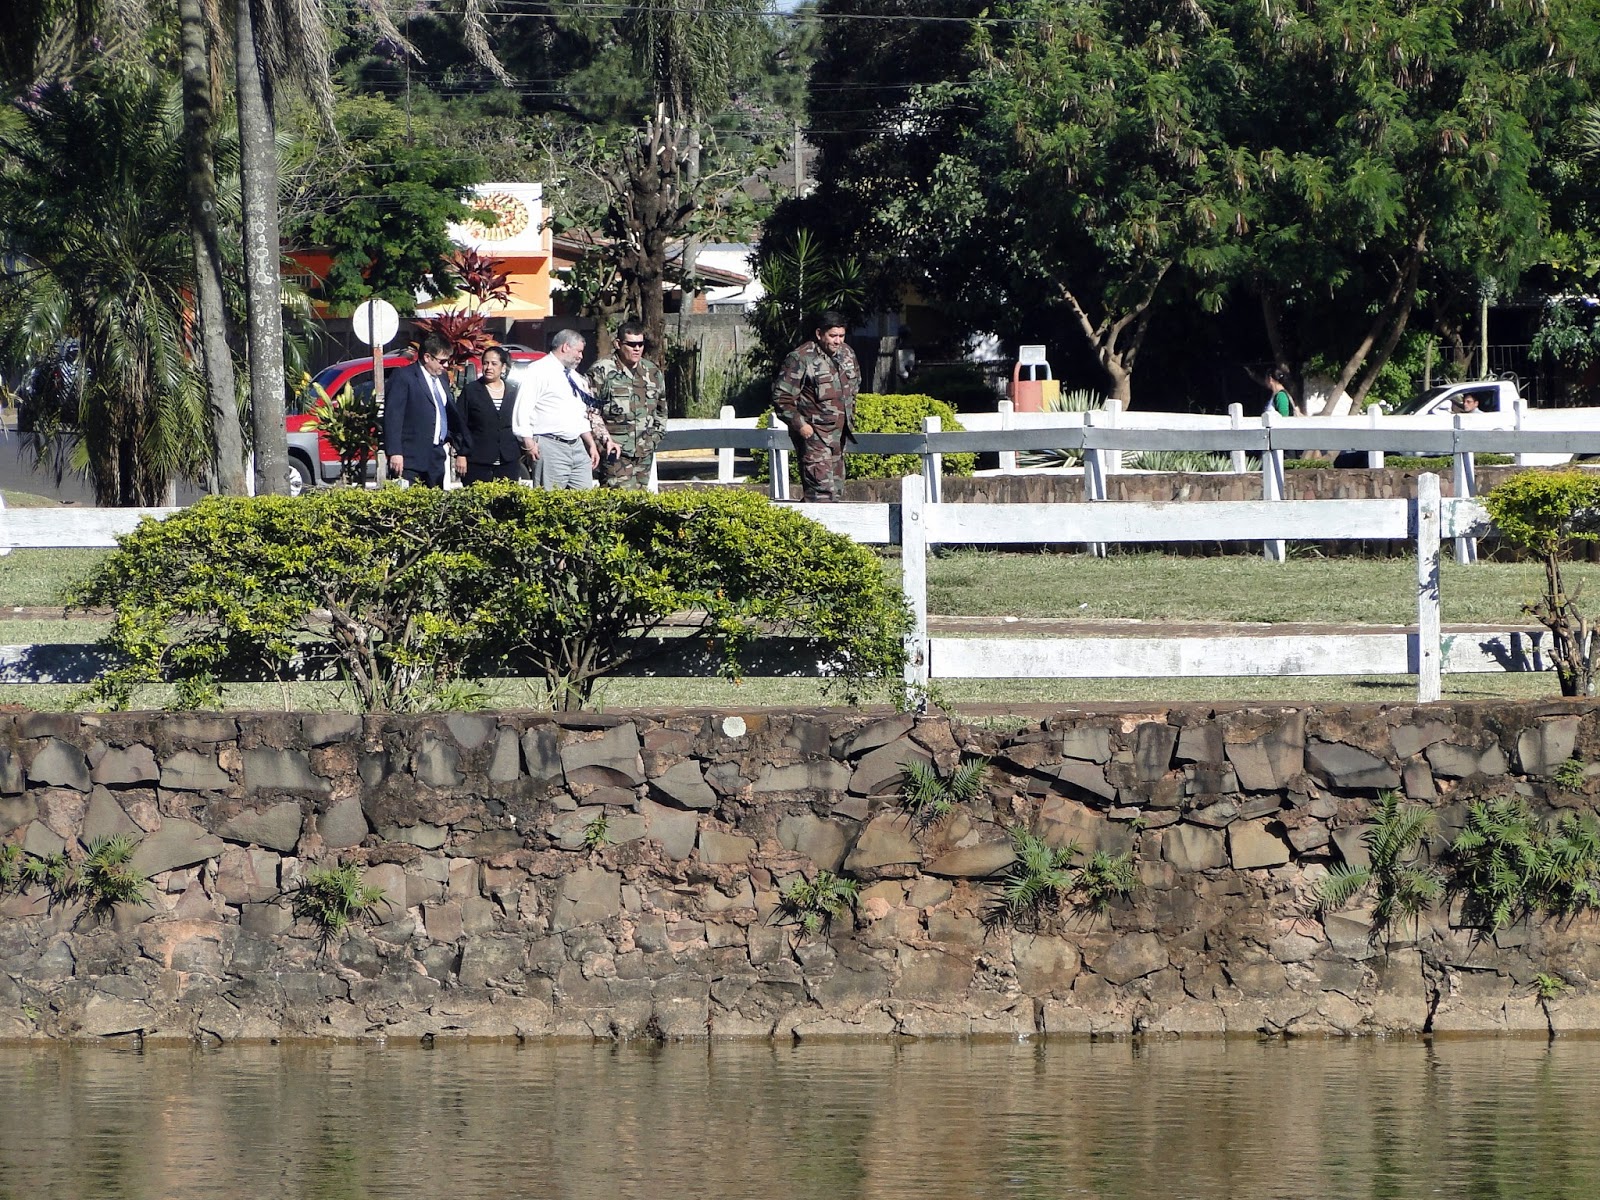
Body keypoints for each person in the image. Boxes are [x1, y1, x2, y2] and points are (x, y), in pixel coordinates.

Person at [771, 311, 861, 502]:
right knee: (821, 493)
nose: (837, 341)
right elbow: (782, 397)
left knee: (836, 493)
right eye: (833, 336)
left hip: (838, 436)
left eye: (841, 336)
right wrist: (801, 426)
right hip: (814, 436)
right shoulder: (801, 358)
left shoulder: (847, 354)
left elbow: (854, 385)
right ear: (820, 334)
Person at [511, 328, 600, 489]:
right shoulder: (538, 370)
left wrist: (591, 444)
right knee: (550, 502)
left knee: (585, 503)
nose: (581, 356)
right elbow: (523, 407)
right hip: (550, 445)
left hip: (577, 446)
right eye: (578, 351)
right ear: (565, 347)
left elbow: (579, 414)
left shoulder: (574, 376)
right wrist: (528, 441)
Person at [589, 320, 668, 490]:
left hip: (644, 452)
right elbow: (591, 412)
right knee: (617, 503)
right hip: (615, 452)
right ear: (618, 344)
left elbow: (661, 410)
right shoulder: (602, 371)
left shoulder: (652, 372)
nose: (637, 349)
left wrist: (654, 439)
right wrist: (602, 445)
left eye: (640, 344)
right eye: (631, 344)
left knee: (640, 504)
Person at [384, 333, 462, 487]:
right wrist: (395, 452)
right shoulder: (404, 376)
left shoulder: (443, 378)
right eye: (442, 361)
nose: (445, 365)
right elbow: (393, 416)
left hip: (436, 456)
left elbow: (446, 411)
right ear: (427, 357)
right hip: (410, 458)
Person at [454, 345, 523, 484]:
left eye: (494, 363)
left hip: (508, 460)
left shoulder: (514, 391)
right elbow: (460, 424)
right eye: (485, 363)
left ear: (503, 367)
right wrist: (461, 453)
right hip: (478, 461)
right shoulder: (471, 391)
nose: (488, 367)